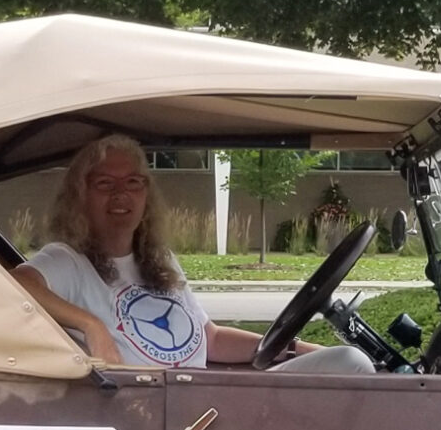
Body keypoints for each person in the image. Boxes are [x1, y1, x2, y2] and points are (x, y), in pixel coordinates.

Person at [15, 135, 287, 369]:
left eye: (133, 182)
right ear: (80, 196)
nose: (121, 193)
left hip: (198, 405)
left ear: (146, 194)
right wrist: (91, 325)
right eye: (105, 184)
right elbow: (16, 284)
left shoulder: (160, 259)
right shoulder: (68, 260)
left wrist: (293, 349)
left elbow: (211, 339)